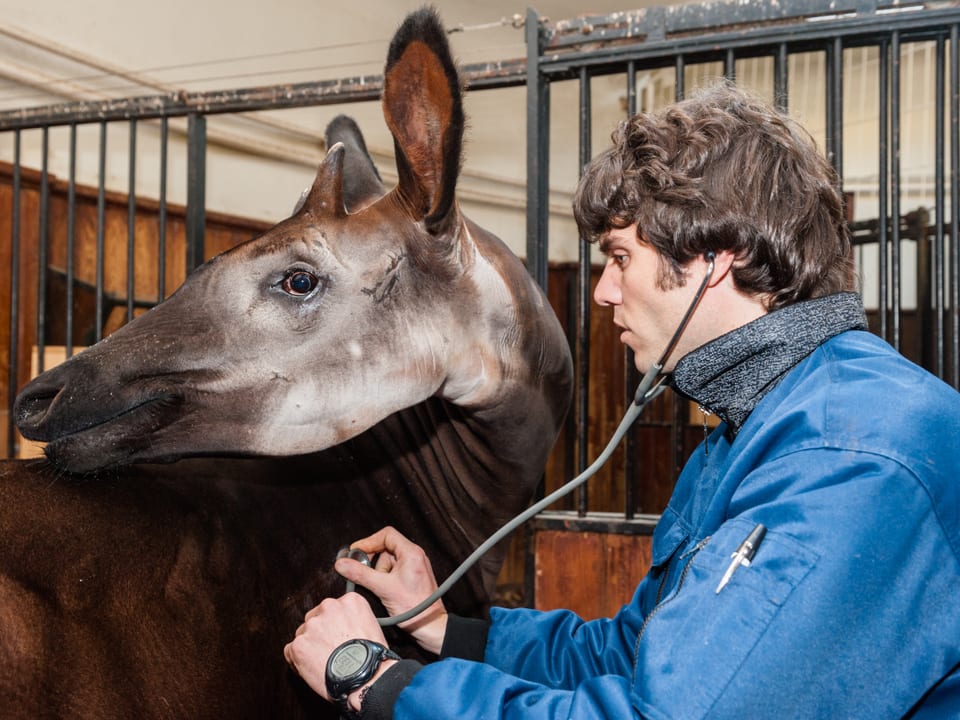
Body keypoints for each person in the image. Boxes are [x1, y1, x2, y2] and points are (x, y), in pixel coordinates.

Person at [284, 82, 960, 718]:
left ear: (713, 258)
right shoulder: (752, 429)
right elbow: (629, 656)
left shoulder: (854, 458)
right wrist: (439, 627)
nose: (604, 291)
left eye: (620, 257)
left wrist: (371, 677)